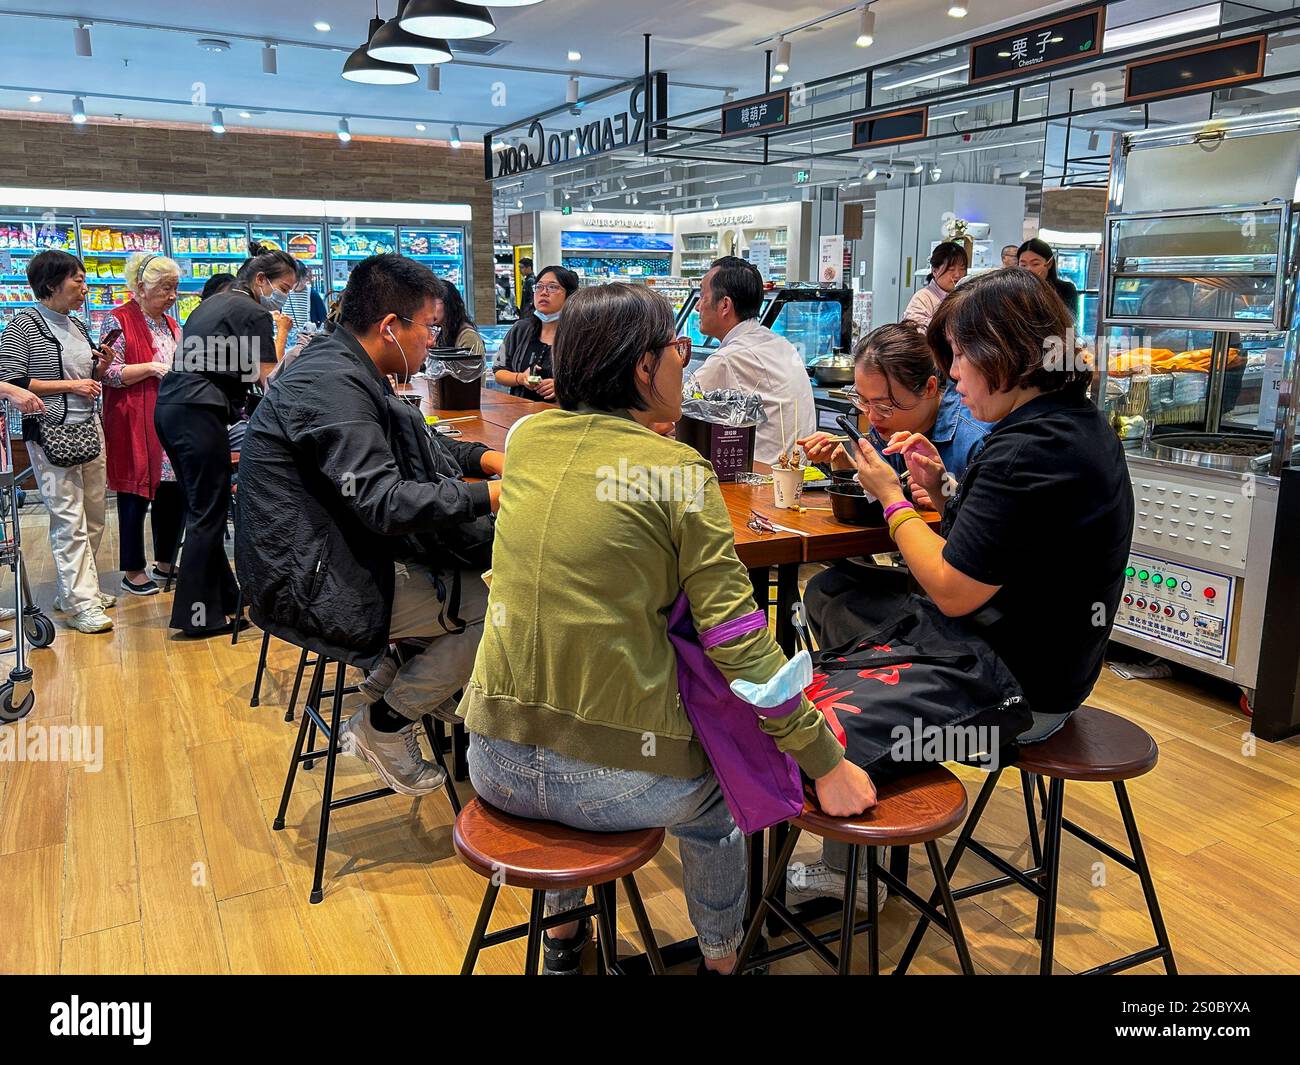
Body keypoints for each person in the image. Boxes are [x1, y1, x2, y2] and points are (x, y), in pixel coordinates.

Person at [461, 282, 875, 975]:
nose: (688, 362)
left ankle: (563, 942)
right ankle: (725, 957)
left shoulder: (529, 439)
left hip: (492, 758)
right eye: (677, 351)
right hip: (609, 785)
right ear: (643, 368)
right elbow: (739, 639)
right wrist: (824, 763)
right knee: (720, 789)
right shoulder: (681, 469)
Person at [237, 254, 504, 797]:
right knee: (506, 604)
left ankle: (396, 679)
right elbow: (384, 502)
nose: (433, 342)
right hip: (314, 581)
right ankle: (389, 721)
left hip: (327, 555)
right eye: (429, 328)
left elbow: (417, 444)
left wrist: (484, 461)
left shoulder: (345, 364)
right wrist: (493, 496)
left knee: (476, 577)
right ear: (390, 327)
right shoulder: (333, 382)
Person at [154, 243, 296, 637]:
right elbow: (268, 378)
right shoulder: (253, 312)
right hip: (199, 412)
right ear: (261, 281)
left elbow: (234, 365)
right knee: (208, 513)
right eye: (284, 287)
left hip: (172, 408)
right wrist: (282, 335)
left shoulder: (214, 304)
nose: (285, 296)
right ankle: (198, 617)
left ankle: (226, 598)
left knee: (201, 508)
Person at [0, 250, 116, 634]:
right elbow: (13, 382)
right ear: (51, 285)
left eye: (84, 279)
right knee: (68, 518)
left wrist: (100, 364)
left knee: (95, 514)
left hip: (89, 428)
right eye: (77, 280)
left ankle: (76, 591)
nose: (84, 287)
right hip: (50, 432)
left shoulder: (78, 326)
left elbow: (89, 377)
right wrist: (71, 385)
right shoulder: (22, 327)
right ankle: (83, 603)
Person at [799, 322, 990, 505]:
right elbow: (885, 488)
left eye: (884, 406)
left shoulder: (976, 439)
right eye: (863, 401)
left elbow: (991, 527)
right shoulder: (888, 427)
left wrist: (947, 495)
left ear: (929, 388)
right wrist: (842, 461)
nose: (872, 417)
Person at [102, 252, 185, 596]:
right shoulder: (117, 319)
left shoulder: (171, 323)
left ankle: (165, 561)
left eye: (175, 288)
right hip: (134, 415)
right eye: (166, 288)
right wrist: (151, 367)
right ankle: (132, 569)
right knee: (134, 492)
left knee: (171, 490)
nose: (173, 296)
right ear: (141, 287)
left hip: (168, 416)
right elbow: (107, 372)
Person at [692, 255, 814, 465]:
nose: (697, 307)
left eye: (703, 296)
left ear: (725, 305)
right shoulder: (780, 343)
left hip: (761, 480)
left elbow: (669, 415)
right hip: (796, 474)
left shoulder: (729, 358)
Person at [493, 264, 577, 402]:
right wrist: (520, 378)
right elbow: (498, 371)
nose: (544, 292)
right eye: (539, 287)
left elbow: (598, 380)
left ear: (569, 295)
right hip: (521, 415)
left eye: (553, 287)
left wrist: (563, 387)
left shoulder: (580, 334)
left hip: (564, 416)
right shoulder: (520, 329)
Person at [902, 242, 967, 331]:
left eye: (962, 269)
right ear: (934, 271)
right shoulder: (923, 298)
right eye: (951, 269)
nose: (958, 275)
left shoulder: (966, 296)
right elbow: (915, 333)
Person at [1017, 237, 1078, 320]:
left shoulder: (1066, 289)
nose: (1028, 269)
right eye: (1023, 265)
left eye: (1035, 264)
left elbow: (1070, 324)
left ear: (1049, 263)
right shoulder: (1014, 290)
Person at [431, 280, 484, 355]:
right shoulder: (441, 332)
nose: (430, 310)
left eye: (434, 304)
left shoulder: (468, 336)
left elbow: (469, 365)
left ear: (449, 305)